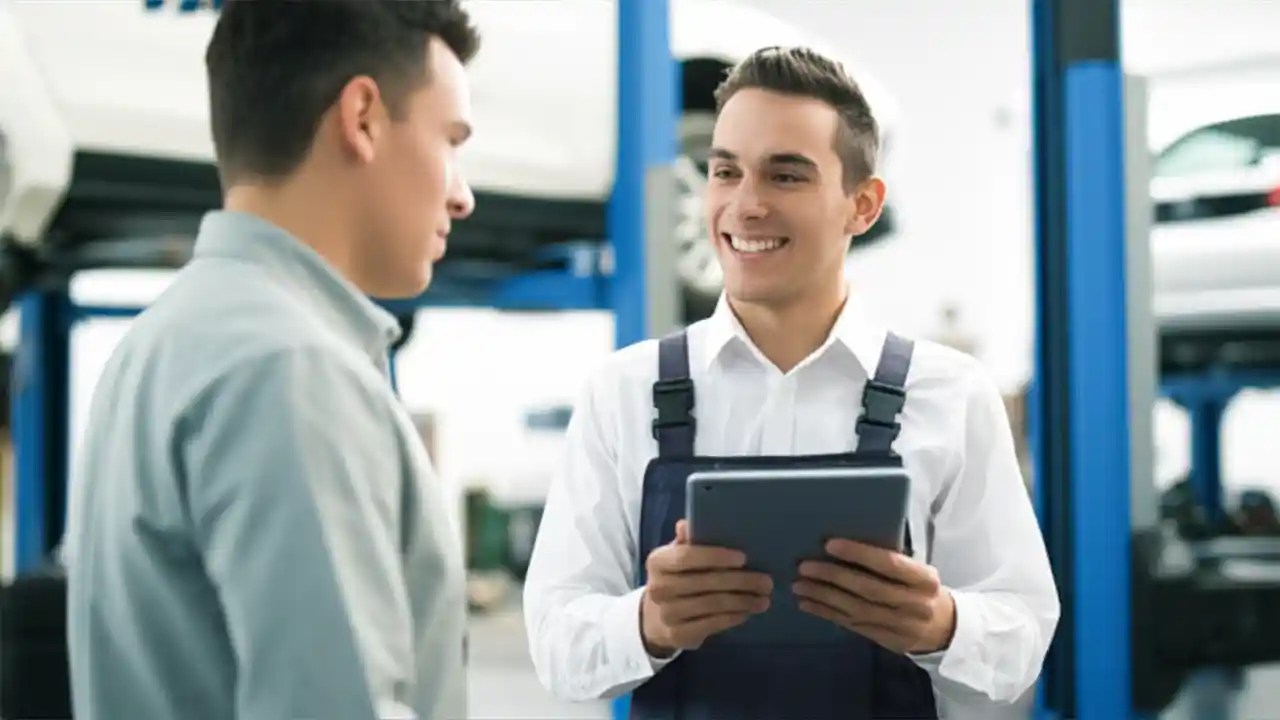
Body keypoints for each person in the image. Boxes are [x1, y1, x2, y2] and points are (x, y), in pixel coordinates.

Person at [522, 46, 1059, 719]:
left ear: (861, 205)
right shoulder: (622, 394)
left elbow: (1023, 640)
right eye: (725, 171)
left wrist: (942, 624)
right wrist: (648, 622)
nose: (744, 206)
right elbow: (556, 646)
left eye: (785, 176)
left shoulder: (951, 396)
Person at [62, 2, 479, 719]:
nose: (462, 194)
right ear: (363, 118)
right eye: (450, 140)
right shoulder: (290, 368)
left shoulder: (163, 341)